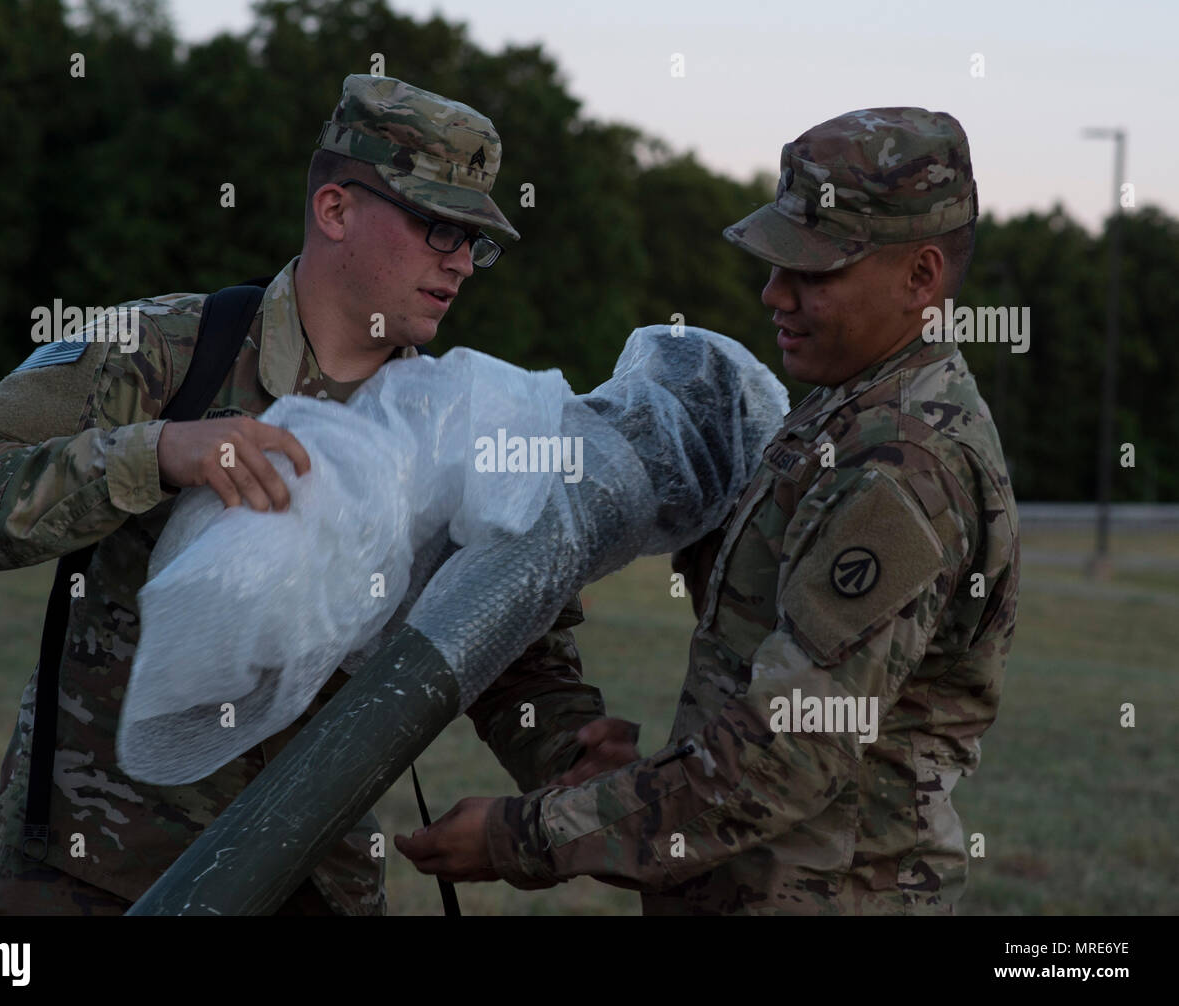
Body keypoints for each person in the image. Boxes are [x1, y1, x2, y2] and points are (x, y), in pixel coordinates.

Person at [0, 73, 637, 916]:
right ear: (335, 210)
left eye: (477, 241)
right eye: (439, 225)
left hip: (307, 887)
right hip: (97, 872)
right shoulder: (162, 351)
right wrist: (154, 452)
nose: (459, 262)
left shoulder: (453, 431)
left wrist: (571, 755)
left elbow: (516, 654)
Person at [395, 107, 1021, 915]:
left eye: (814, 272)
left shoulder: (901, 467)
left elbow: (782, 755)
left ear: (921, 277)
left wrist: (522, 835)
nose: (774, 295)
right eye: (775, 264)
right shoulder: (848, 410)